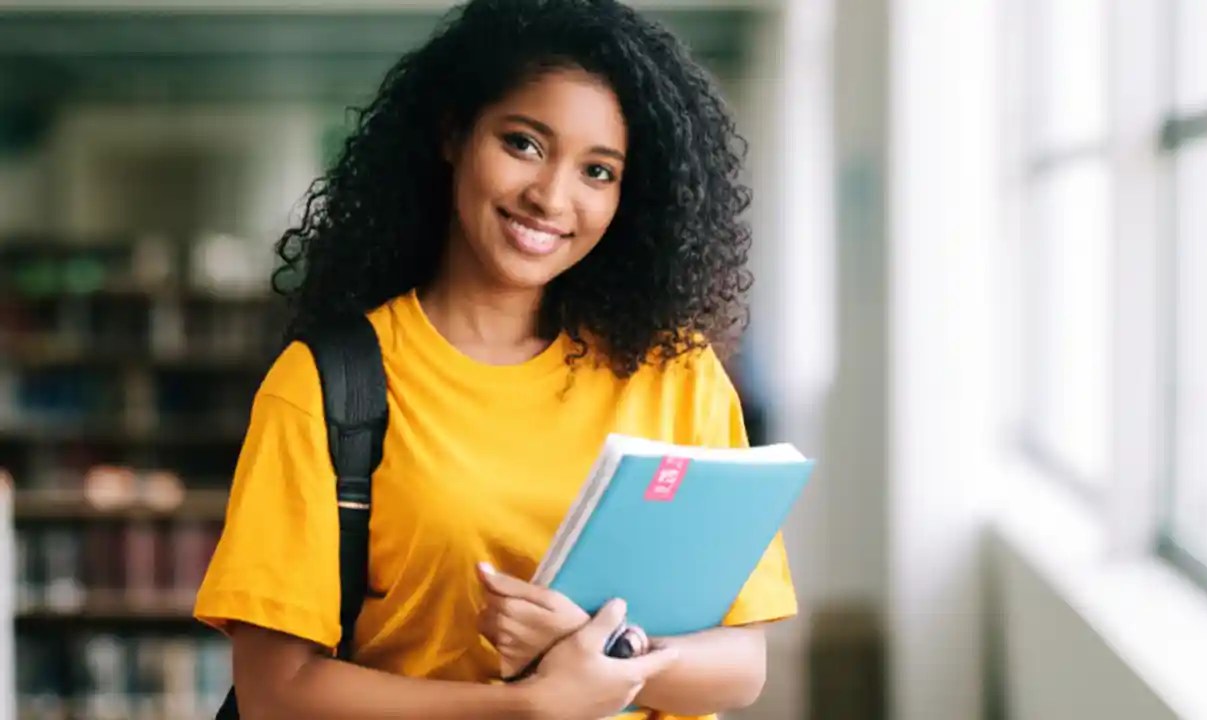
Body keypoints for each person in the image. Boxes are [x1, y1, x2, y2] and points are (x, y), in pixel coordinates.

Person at [192, 1, 797, 718]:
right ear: (454, 134)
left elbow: (739, 665)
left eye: (598, 172)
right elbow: (275, 692)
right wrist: (529, 706)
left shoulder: (678, 376)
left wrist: (593, 646)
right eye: (523, 144)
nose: (551, 197)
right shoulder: (330, 384)